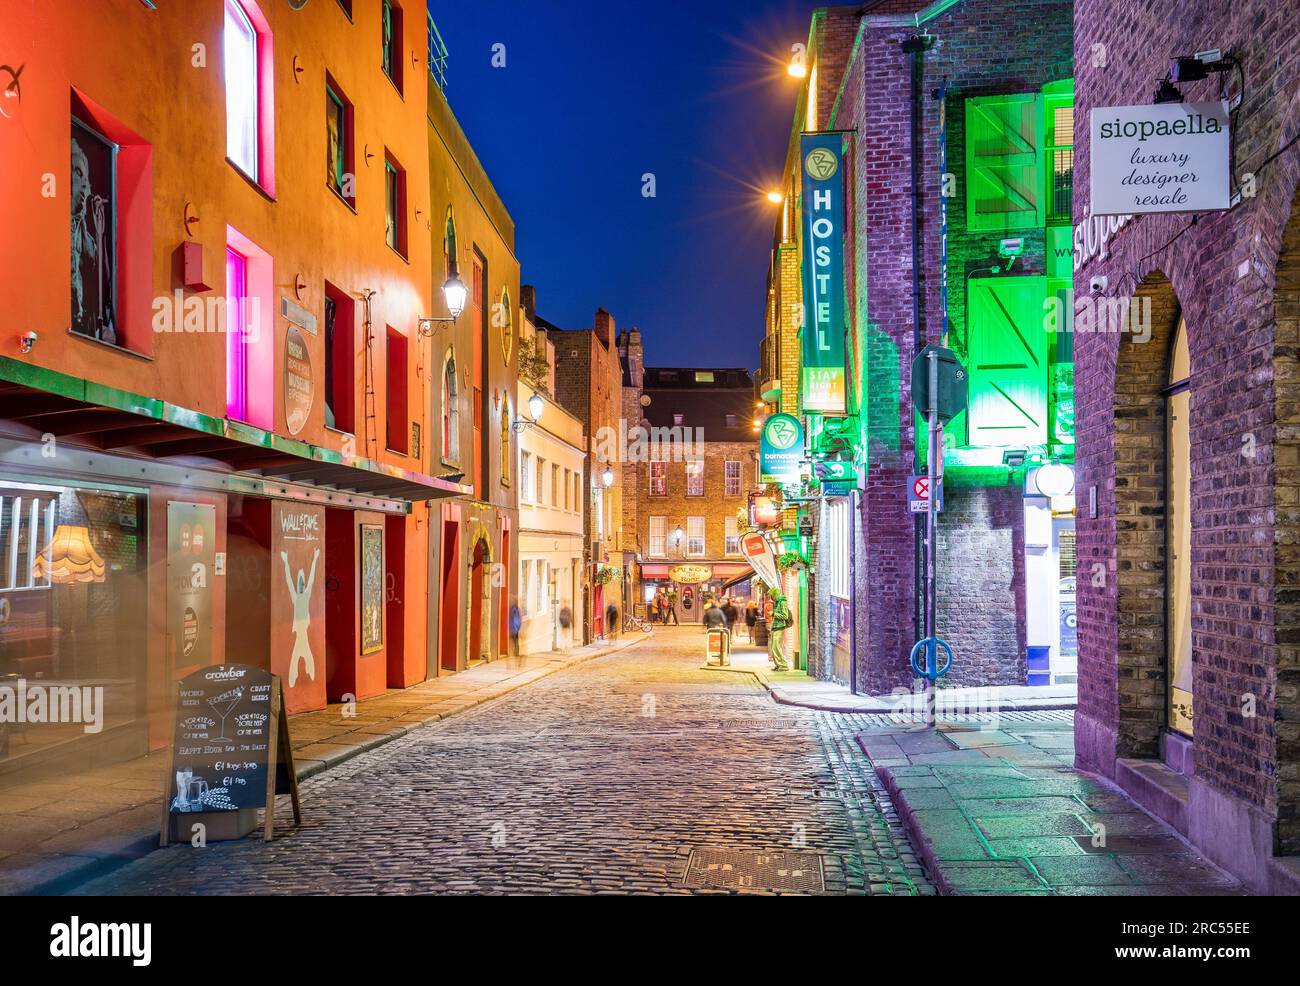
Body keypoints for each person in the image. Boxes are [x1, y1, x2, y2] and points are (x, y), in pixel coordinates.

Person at [768, 591, 792, 671]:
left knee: (776, 647)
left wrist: (774, 614)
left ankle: (783, 665)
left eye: (772, 597)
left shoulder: (782, 602)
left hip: (780, 627)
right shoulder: (777, 603)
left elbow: (785, 616)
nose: (772, 599)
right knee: (773, 647)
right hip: (775, 627)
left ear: (775, 595)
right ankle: (778, 665)